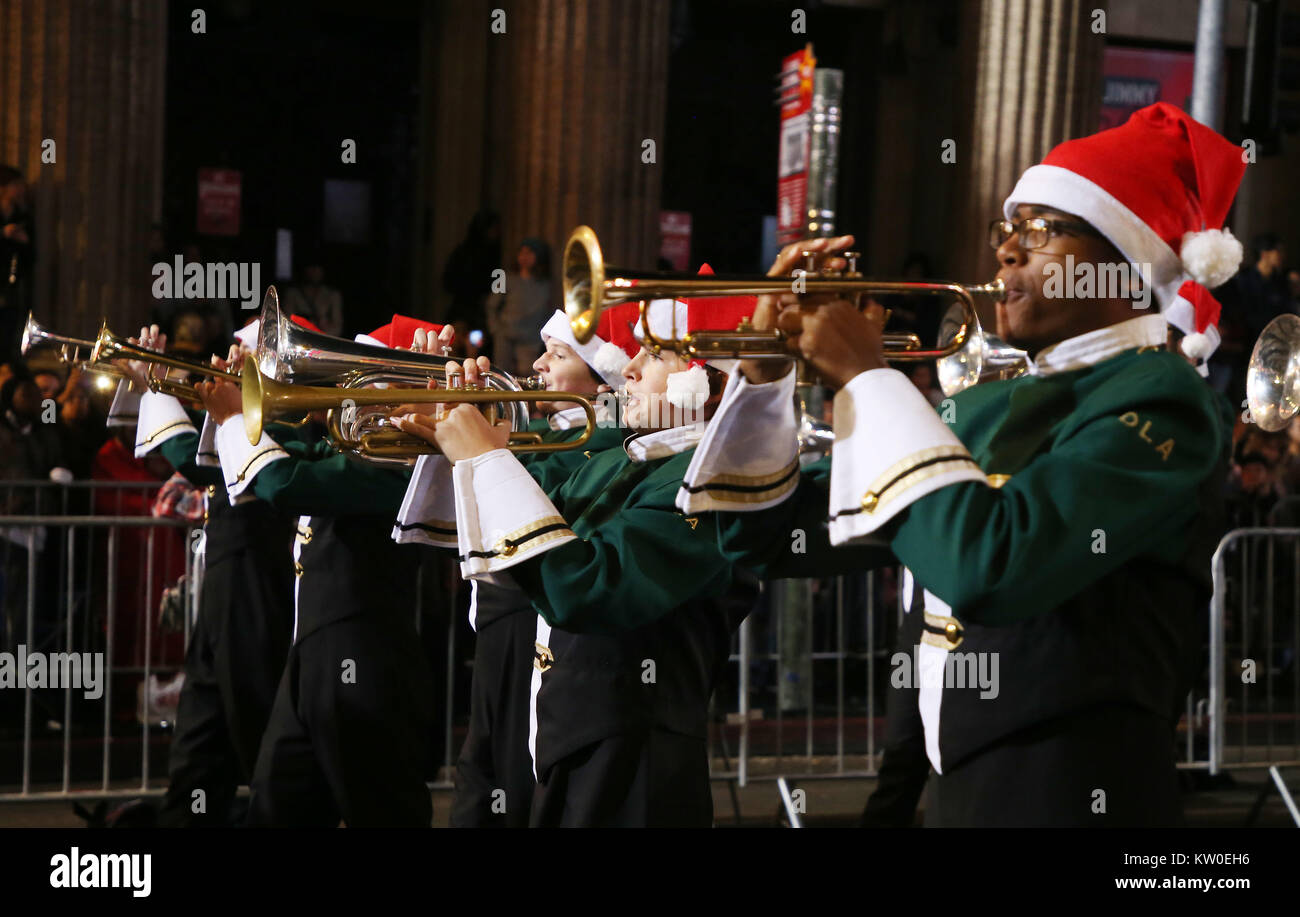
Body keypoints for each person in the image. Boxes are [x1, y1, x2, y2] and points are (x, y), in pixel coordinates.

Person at [679, 103, 1243, 827]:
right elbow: (764, 533)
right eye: (1006, 230)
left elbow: (995, 563)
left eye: (1042, 229)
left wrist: (866, 376)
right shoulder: (983, 406)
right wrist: (761, 379)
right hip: (960, 788)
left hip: (1073, 793)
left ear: (1125, 263)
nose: (1007, 250)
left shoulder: (1166, 399)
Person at [392, 292, 761, 827]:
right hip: (568, 734)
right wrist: (448, 430)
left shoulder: (710, 483)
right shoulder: (624, 460)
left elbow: (588, 588)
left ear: (708, 382)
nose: (628, 367)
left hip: (635, 759)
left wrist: (487, 456)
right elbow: (517, 538)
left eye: (655, 357)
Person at [196, 316, 452, 827]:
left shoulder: (400, 455)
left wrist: (232, 420)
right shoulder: (348, 444)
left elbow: (286, 482)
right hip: (311, 656)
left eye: (364, 376)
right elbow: (295, 455)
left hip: (365, 658)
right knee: (275, 809)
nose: (345, 389)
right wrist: (243, 408)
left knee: (380, 811)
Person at [395, 302, 639, 827]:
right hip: (501, 629)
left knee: (499, 790)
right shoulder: (548, 436)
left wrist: (479, 445)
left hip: (531, 633)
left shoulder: (597, 445)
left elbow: (532, 496)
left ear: (603, 381)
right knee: (480, 782)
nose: (539, 366)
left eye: (557, 354)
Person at [111, 324, 296, 827]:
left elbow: (196, 466)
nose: (228, 356)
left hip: (255, 581)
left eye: (245, 351)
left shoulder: (285, 418)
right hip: (224, 584)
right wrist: (150, 376)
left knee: (260, 734)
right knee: (200, 739)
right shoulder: (236, 417)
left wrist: (154, 383)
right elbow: (187, 448)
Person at [488, 238, 553, 374]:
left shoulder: (546, 284)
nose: (524, 257)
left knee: (528, 373)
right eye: (522, 253)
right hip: (505, 334)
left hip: (531, 337)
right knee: (501, 372)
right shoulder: (504, 278)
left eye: (529, 253)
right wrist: (495, 328)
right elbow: (491, 305)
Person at [282, 259, 344, 337]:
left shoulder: (332, 295)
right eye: (312, 267)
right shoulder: (293, 293)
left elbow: (337, 325)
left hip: (324, 340)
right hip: (300, 337)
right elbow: (287, 321)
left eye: (318, 268)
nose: (315, 271)